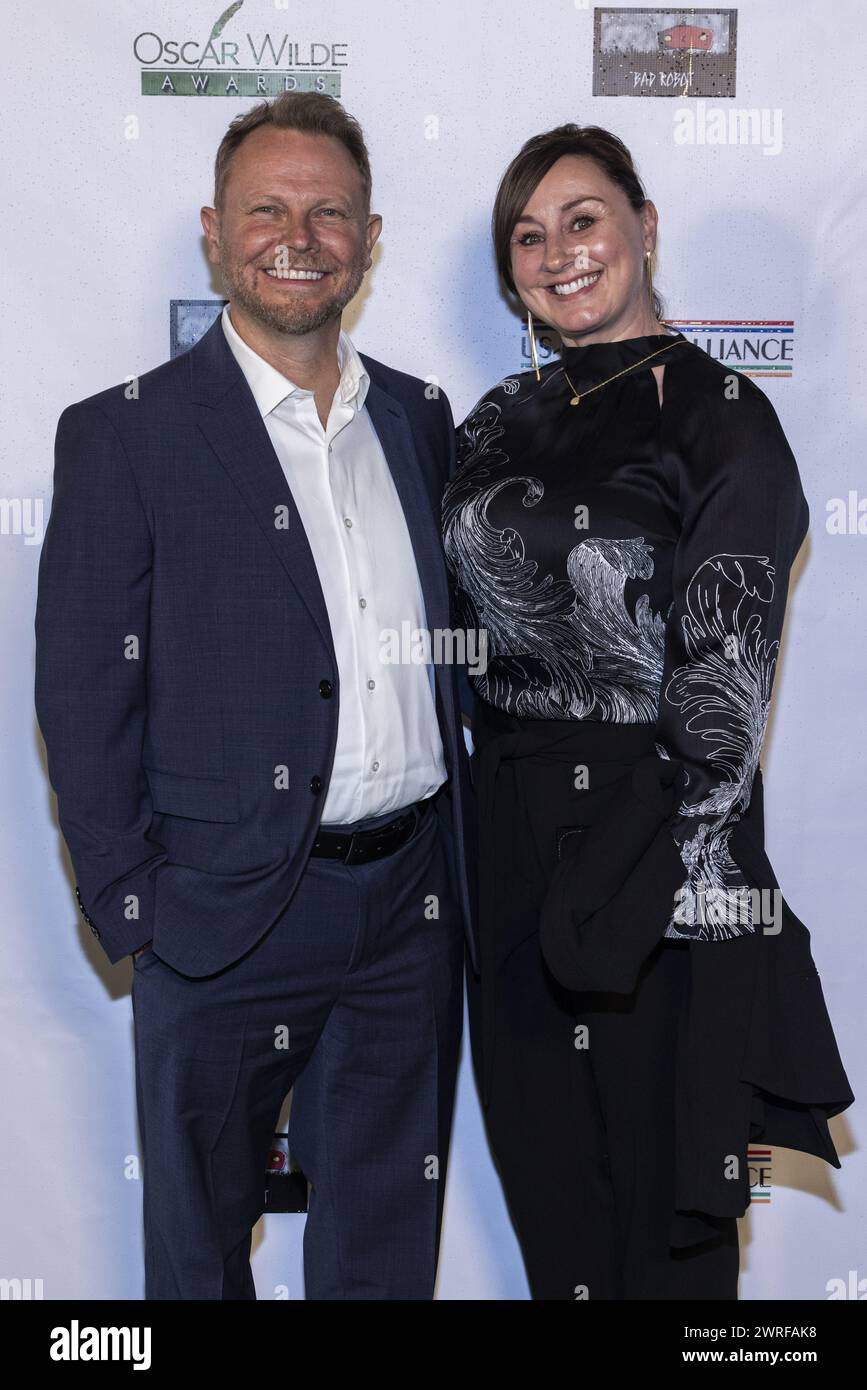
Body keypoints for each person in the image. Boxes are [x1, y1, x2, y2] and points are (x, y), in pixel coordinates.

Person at [34, 91, 479, 1300]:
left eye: (329, 210)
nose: (301, 234)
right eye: (267, 209)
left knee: (386, 1241)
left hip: (407, 909)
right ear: (214, 233)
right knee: (196, 1251)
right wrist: (136, 910)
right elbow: (80, 692)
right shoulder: (124, 437)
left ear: (371, 238)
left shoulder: (422, 421)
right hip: (218, 913)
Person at [442, 123, 854, 1300]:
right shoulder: (491, 420)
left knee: (666, 1236)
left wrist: (631, 891)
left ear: (644, 228)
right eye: (529, 235)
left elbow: (722, 691)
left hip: (661, 853)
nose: (559, 252)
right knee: (556, 1211)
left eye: (583, 219)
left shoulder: (721, 413)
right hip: (509, 839)